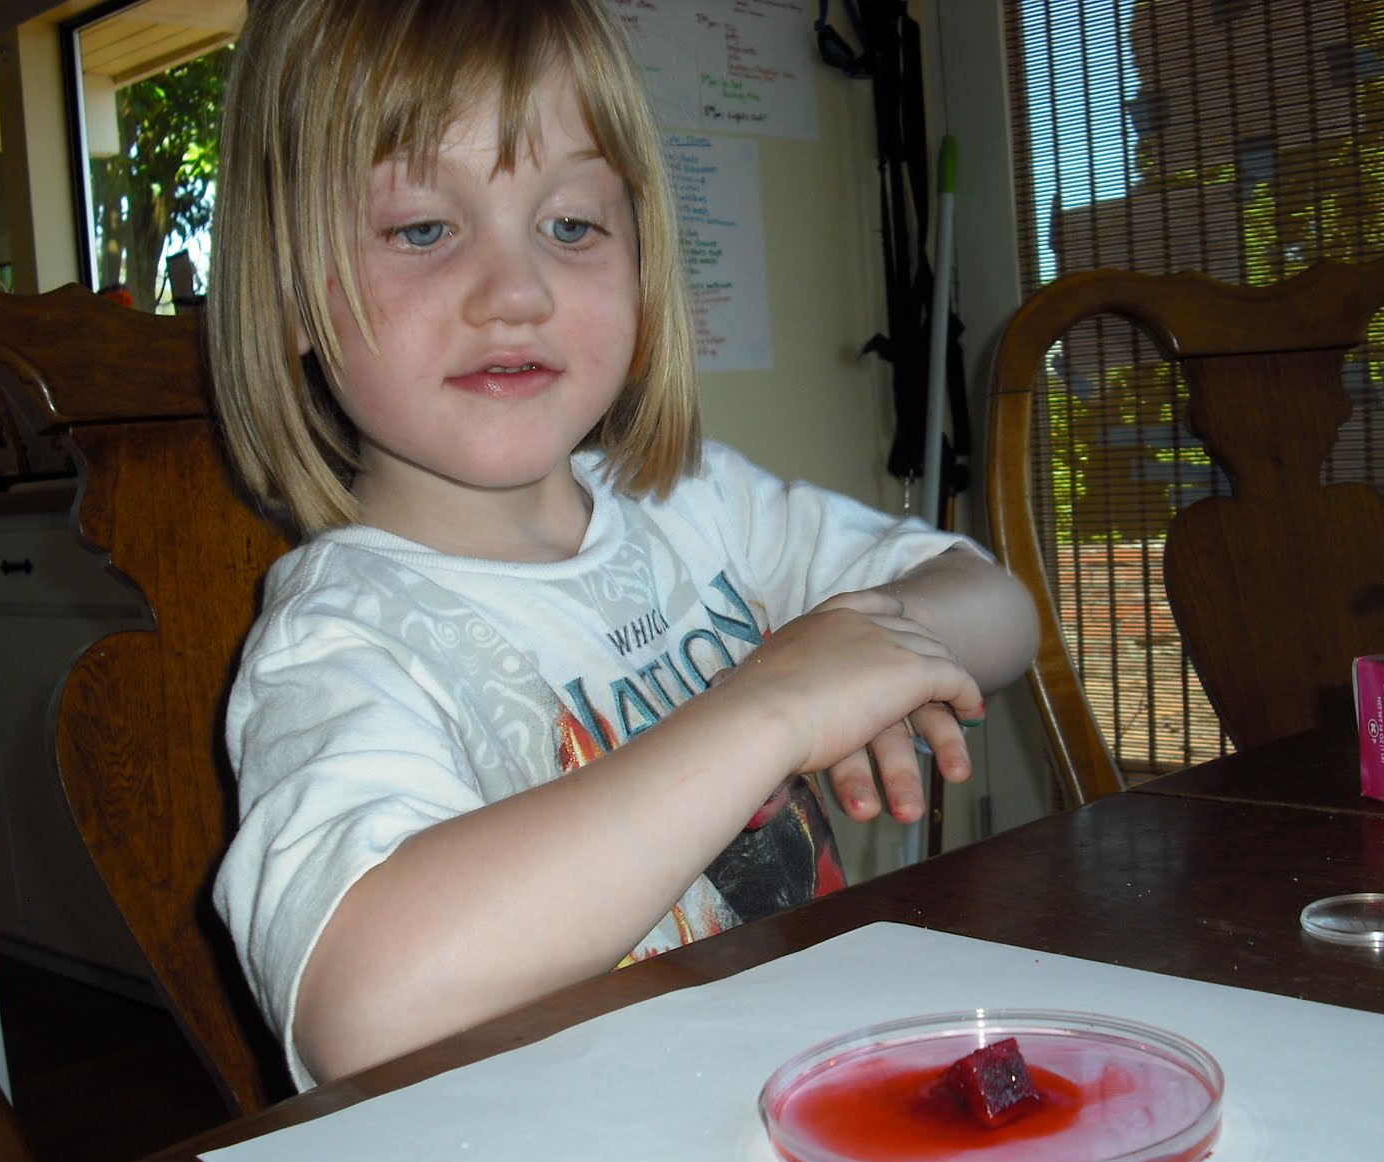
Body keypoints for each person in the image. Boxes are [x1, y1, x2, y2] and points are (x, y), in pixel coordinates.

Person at [205, 0, 1039, 1092]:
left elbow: (999, 608)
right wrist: (775, 705)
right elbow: (363, 1015)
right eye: (421, 229)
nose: (515, 293)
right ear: (291, 295)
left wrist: (866, 649)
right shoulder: (340, 644)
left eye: (571, 226)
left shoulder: (692, 502)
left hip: (801, 1092)